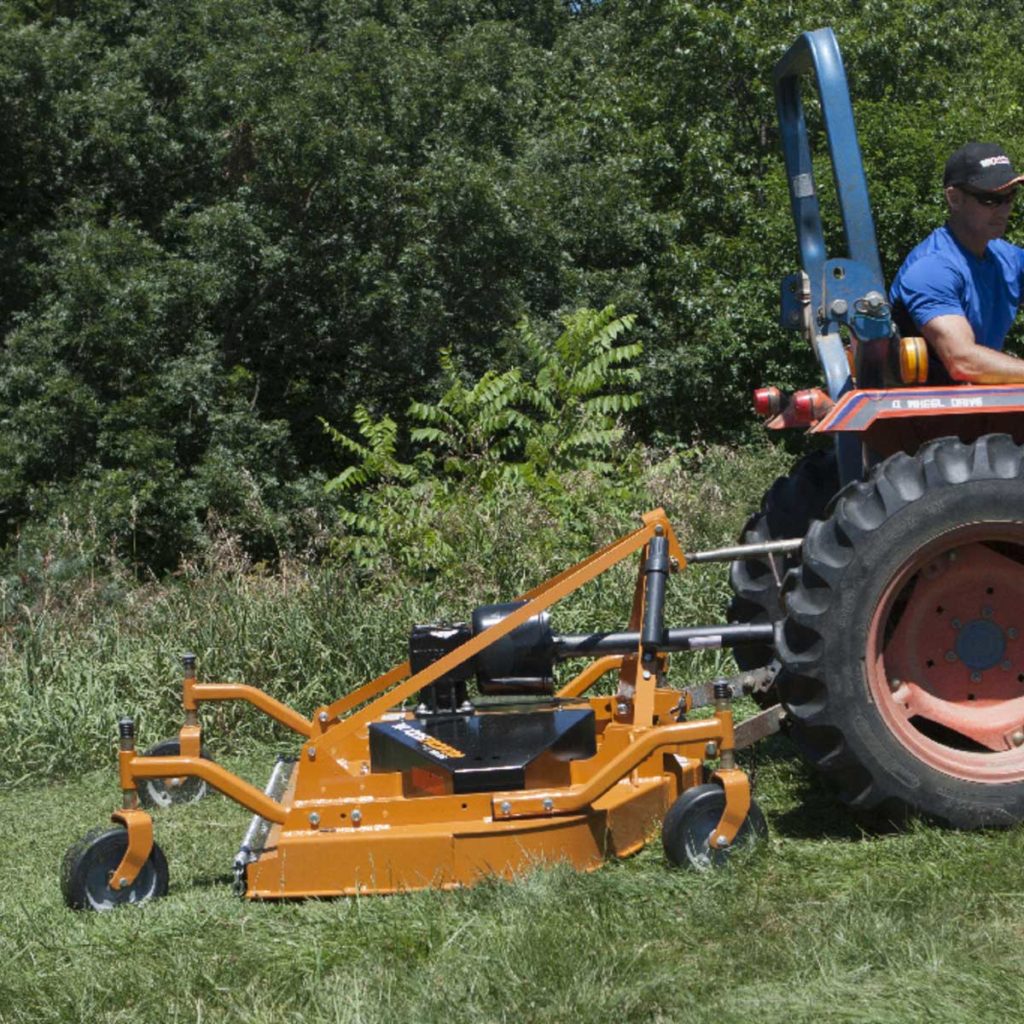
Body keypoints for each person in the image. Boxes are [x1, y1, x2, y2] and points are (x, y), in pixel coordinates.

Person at [889, 142, 1024, 384]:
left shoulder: (1008, 259)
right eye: (990, 199)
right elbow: (962, 361)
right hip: (928, 404)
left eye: (1010, 196)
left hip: (982, 398)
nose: (1004, 209)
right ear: (954, 198)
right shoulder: (931, 269)